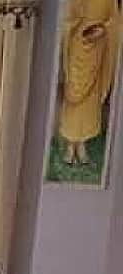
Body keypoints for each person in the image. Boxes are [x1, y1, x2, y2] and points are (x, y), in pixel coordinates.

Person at [57, 0, 119, 166]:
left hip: (99, 49)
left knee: (90, 100)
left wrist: (104, 30)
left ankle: (82, 146)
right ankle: (70, 147)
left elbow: (114, 19)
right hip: (78, 47)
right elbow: (70, 18)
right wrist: (85, 34)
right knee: (73, 95)